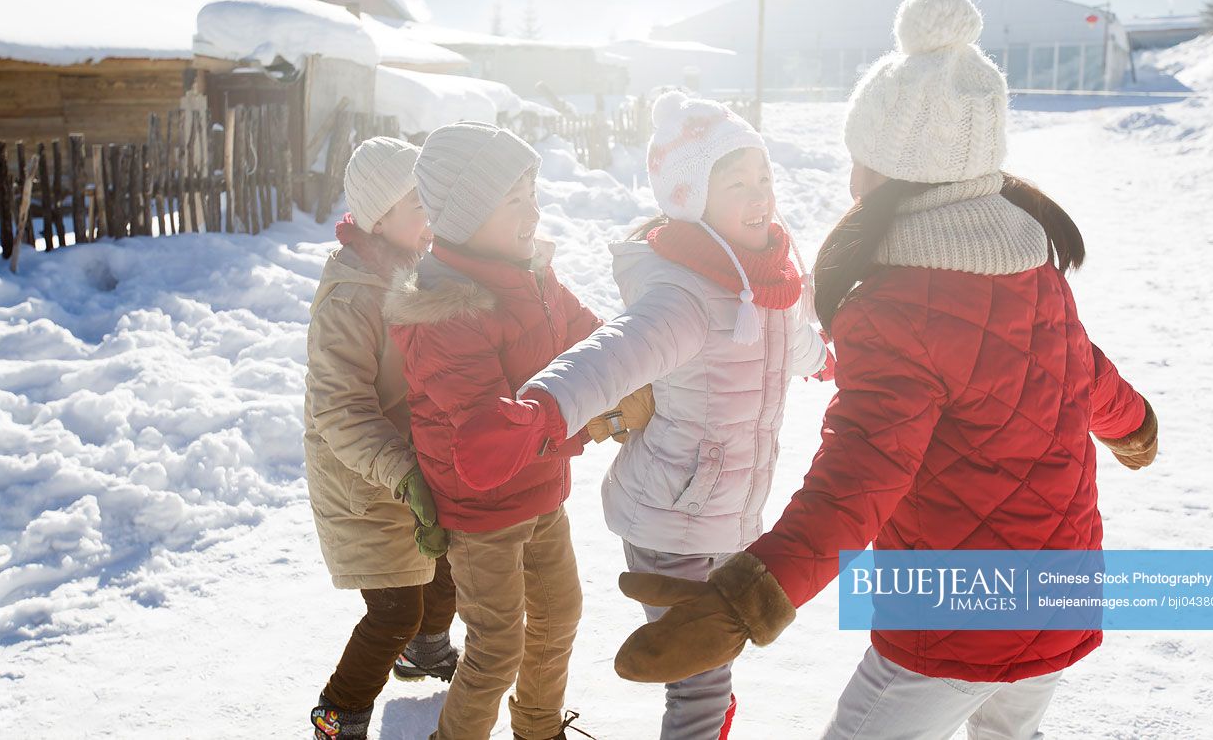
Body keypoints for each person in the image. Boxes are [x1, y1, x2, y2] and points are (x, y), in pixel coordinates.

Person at [612, 0, 1159, 740]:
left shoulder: (896, 306)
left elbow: (856, 484)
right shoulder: (1030, 263)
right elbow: (1082, 370)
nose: (847, 183)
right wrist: (1133, 423)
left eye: (858, 163)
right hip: (1059, 594)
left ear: (891, 171)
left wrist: (747, 596)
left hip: (958, 621)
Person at [464, 92, 830, 739]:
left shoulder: (771, 276)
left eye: (763, 178)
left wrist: (828, 364)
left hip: (727, 513)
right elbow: (612, 355)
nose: (759, 196)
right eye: (736, 182)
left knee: (709, 656)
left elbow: (795, 339)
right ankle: (705, 715)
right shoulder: (683, 297)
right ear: (691, 198)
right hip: (670, 518)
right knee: (698, 677)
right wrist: (540, 409)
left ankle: (709, 709)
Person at [384, 122, 603, 740]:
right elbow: (486, 436)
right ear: (468, 214)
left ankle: (539, 729)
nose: (533, 211)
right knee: (498, 644)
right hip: (480, 509)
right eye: (514, 199)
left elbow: (592, 338)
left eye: (533, 192)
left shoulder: (532, 275)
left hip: (538, 491)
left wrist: (638, 360)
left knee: (559, 615)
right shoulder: (444, 310)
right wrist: (588, 420)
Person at [304, 136, 460, 740]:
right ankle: (337, 711)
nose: (432, 217)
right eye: (418, 205)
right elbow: (339, 410)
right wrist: (402, 473)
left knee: (443, 569)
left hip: (411, 463)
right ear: (379, 219)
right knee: (395, 608)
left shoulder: (414, 270)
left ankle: (424, 651)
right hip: (362, 479)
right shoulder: (352, 298)